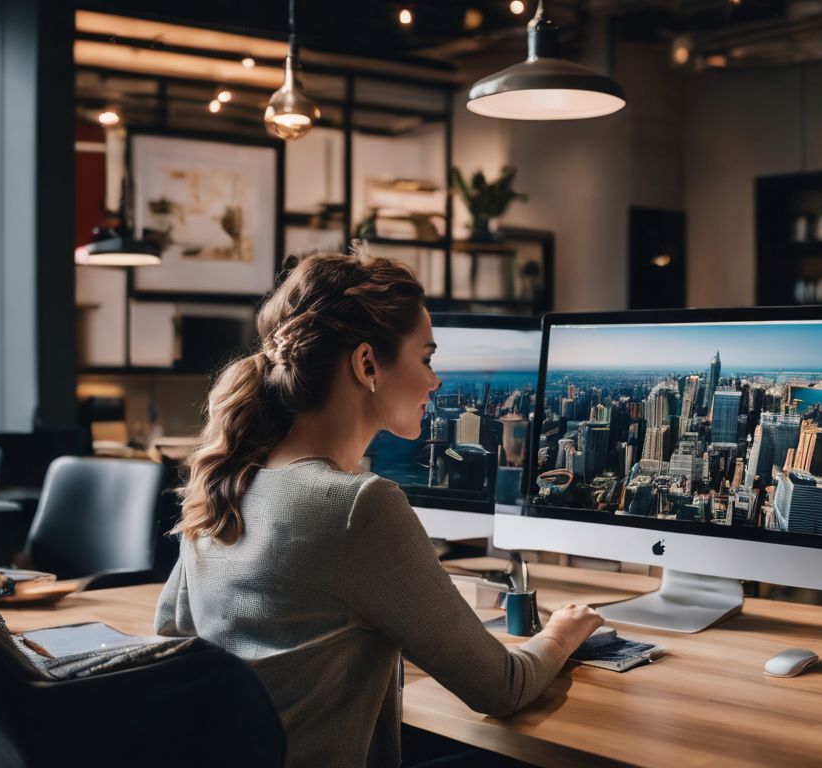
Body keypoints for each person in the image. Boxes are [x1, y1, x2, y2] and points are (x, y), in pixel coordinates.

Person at [155, 252, 603, 766]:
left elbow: (173, 629)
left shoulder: (227, 478)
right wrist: (563, 630)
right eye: (427, 358)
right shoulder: (357, 505)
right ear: (367, 364)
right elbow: (500, 688)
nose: (435, 382)